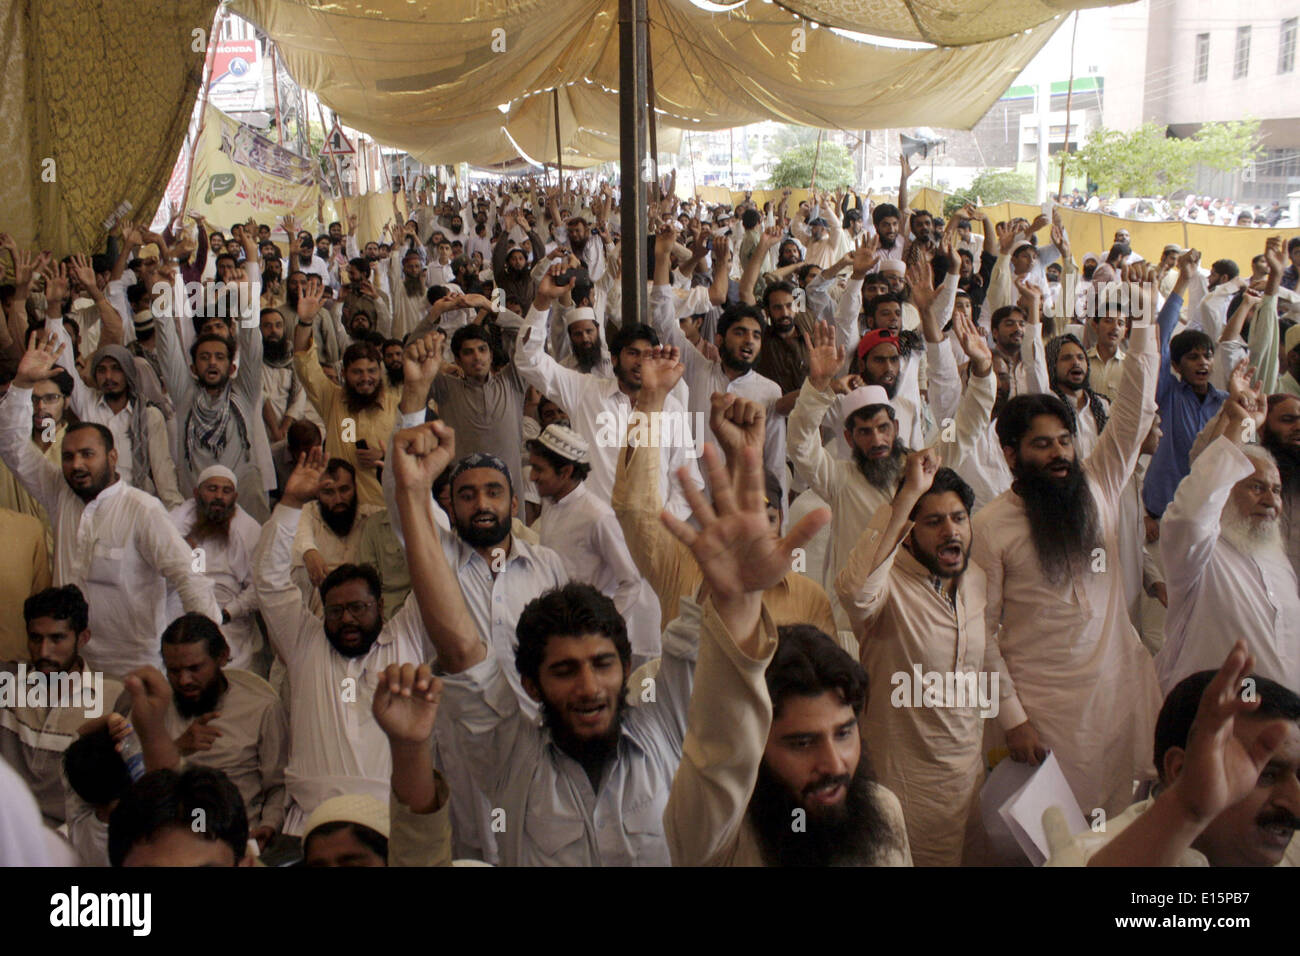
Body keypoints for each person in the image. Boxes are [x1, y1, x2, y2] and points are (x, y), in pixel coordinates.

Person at [390, 418, 733, 866]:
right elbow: (459, 652)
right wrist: (413, 493)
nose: (589, 687)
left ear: (627, 669)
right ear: (531, 685)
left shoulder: (662, 730)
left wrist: (728, 582)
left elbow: (697, 635)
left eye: (602, 664)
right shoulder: (511, 759)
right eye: (565, 670)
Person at [653, 431, 909, 866]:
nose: (833, 763)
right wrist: (737, 604)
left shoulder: (884, 812)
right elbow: (719, 748)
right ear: (756, 744)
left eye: (844, 733)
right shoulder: (721, 835)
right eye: (802, 743)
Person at [972, 304, 1162, 819]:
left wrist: (1143, 329)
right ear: (1011, 455)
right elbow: (980, 632)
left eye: (1064, 442)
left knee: (1121, 823)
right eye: (1041, 445)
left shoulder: (1097, 485)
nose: (1059, 454)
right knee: (1054, 834)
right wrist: (1013, 717)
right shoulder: (991, 525)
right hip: (1044, 707)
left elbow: (1133, 413)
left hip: (1115, 690)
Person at [0, 334, 220, 676]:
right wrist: (20, 386)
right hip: (71, 667)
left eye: (88, 454)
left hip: (133, 670)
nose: (76, 465)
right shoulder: (61, 492)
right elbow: (12, 446)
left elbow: (188, 577)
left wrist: (204, 655)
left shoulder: (142, 509)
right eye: (69, 456)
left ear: (113, 457)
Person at [252, 447, 431, 835]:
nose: (346, 618)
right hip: (311, 829)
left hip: (394, 828)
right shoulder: (305, 644)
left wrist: (413, 492)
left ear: (380, 606)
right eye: (335, 611)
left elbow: (436, 569)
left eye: (357, 608)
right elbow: (268, 581)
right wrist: (290, 504)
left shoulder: (407, 636)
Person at [835, 451, 987, 866]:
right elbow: (854, 592)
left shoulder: (975, 580)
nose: (949, 531)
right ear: (907, 531)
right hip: (905, 783)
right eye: (933, 521)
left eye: (958, 518)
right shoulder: (888, 585)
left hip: (968, 775)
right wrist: (907, 495)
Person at [1046, 644, 1299, 867]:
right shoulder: (1081, 860)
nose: (1295, 801)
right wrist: (1185, 811)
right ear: (1179, 773)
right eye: (1267, 774)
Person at [1157, 382, 1300, 695]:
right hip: (1212, 725)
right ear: (1225, 494)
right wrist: (1242, 424)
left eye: (1275, 490)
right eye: (1256, 487)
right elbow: (1192, 512)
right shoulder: (1200, 555)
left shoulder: (1277, 562)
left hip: (1280, 728)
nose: (1271, 501)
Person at [528, 423, 661, 665]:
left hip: (592, 640)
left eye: (539, 469)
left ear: (566, 471)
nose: (531, 477)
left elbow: (631, 581)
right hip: (562, 630)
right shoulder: (550, 503)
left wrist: (604, 629)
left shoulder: (597, 516)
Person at [157, 613, 287, 851]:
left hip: (237, 840)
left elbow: (278, 785)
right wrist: (176, 750)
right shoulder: (155, 707)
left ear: (222, 656)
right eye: (174, 671)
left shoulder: (260, 707)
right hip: (171, 843)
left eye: (194, 668)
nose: (184, 680)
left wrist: (270, 825)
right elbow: (130, 781)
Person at [0, 586, 126, 823]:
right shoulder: (7, 681)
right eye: (36, 638)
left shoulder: (114, 697)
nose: (44, 651)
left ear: (83, 638)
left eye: (57, 638)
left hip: (70, 839)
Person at [293, 286, 400, 509]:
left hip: (384, 510)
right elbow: (304, 362)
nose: (365, 378)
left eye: (371, 371)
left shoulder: (397, 406)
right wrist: (305, 323)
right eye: (357, 372)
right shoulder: (332, 399)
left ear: (380, 372)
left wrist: (385, 455)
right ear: (344, 374)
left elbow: (416, 454)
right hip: (340, 510)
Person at [166, 465, 263, 670]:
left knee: (219, 661)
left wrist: (227, 613)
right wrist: (181, 551)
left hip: (227, 613)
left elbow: (259, 587)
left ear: (234, 496)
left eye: (226, 491)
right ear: (196, 493)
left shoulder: (248, 530)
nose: (219, 496)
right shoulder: (176, 523)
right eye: (212, 489)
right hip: (180, 606)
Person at [291, 458, 381, 615]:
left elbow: (398, 515)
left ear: (355, 488)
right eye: (328, 492)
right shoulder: (308, 513)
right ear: (317, 493)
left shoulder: (370, 516)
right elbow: (298, 530)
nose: (338, 499)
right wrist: (309, 552)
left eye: (344, 490)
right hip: (320, 615)